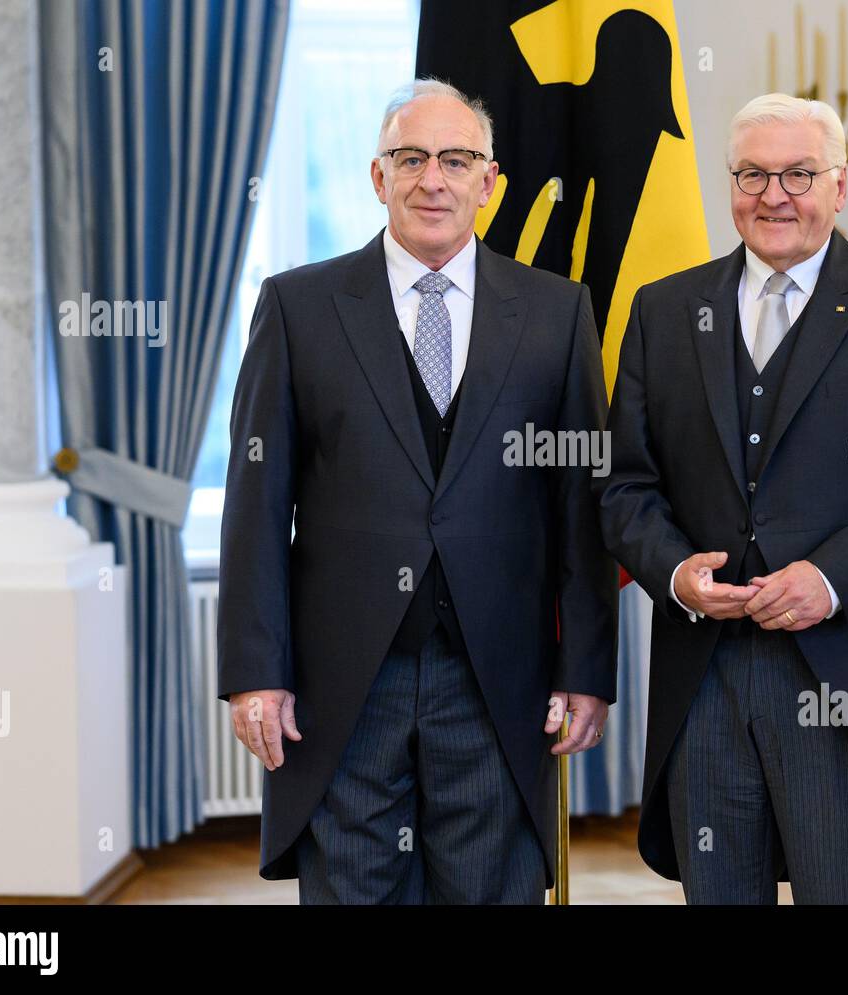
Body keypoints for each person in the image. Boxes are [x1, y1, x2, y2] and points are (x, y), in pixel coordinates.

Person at [217, 78, 617, 904]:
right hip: (344, 689)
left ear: (489, 181)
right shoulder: (298, 306)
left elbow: (581, 508)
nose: (433, 179)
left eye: (456, 159)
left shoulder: (557, 312)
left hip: (500, 684)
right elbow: (256, 502)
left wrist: (587, 666)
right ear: (377, 176)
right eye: (411, 158)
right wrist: (254, 669)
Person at [594, 92, 848, 904]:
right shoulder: (663, 309)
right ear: (730, 183)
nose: (773, 195)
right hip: (702, 680)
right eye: (752, 174)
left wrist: (830, 578)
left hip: (842, 678)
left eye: (798, 174)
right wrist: (674, 573)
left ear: (840, 187)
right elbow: (625, 482)